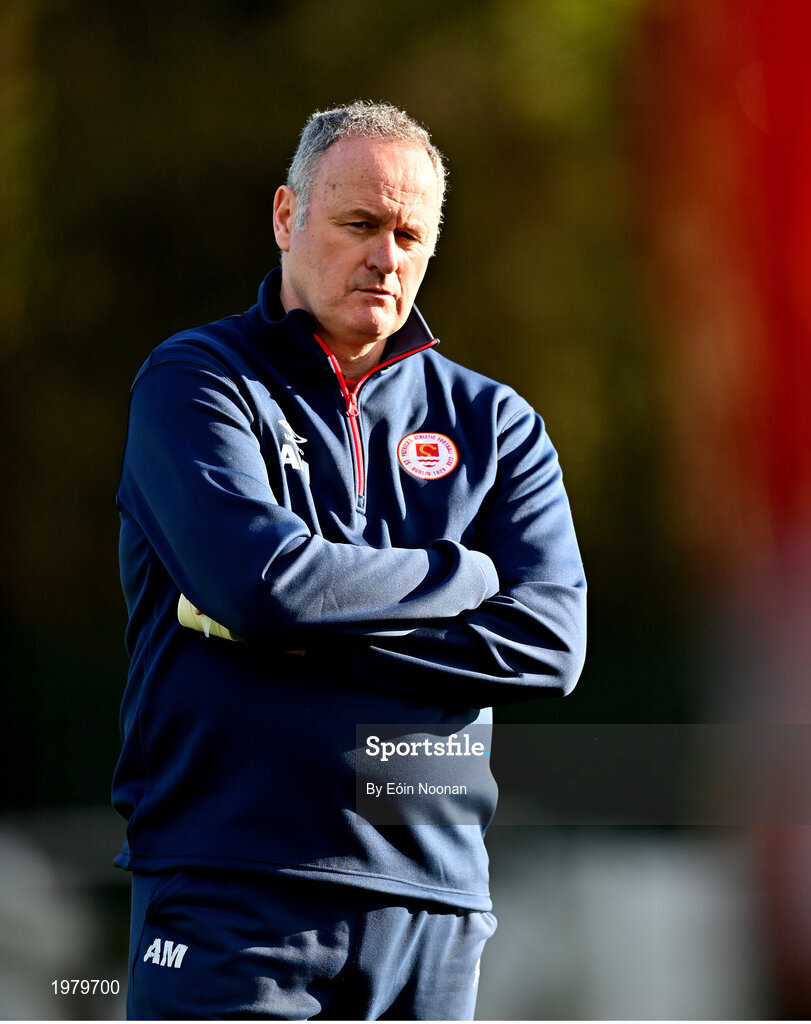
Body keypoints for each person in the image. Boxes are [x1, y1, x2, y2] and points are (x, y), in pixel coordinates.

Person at [114, 101, 587, 1020]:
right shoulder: (197, 380)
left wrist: (298, 625)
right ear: (288, 216)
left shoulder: (496, 423)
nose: (385, 256)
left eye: (409, 233)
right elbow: (260, 587)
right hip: (229, 879)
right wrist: (464, 577)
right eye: (359, 223)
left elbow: (551, 644)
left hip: (435, 888)